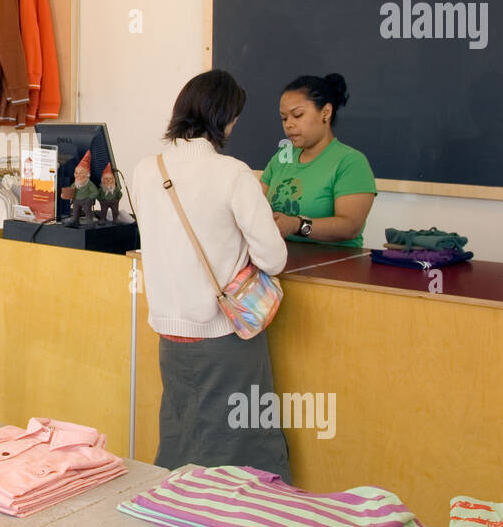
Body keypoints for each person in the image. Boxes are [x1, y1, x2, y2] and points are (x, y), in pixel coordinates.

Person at [131, 70, 291, 479]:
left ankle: (177, 519)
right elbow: (273, 259)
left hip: (170, 334)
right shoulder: (233, 173)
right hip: (225, 335)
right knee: (240, 445)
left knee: (183, 435)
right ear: (223, 119)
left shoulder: (146, 170)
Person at [261, 73, 376, 247]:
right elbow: (255, 204)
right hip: (281, 262)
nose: (289, 124)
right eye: (284, 118)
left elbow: (350, 226)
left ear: (326, 112)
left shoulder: (350, 162)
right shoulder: (281, 158)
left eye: (297, 115)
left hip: (334, 268)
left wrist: (296, 225)